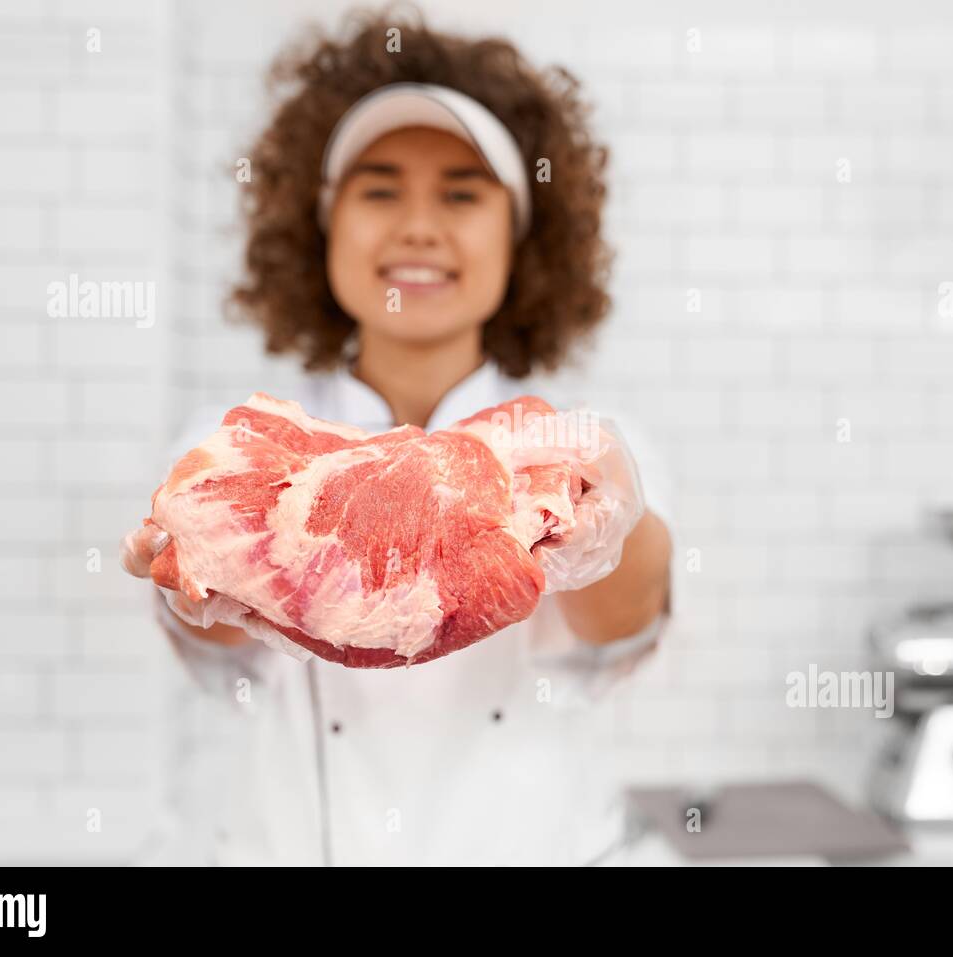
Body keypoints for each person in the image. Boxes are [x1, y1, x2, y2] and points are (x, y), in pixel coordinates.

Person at [134, 10, 675, 866]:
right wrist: (195, 579)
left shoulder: (579, 447)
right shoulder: (238, 444)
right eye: (379, 188)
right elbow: (215, 633)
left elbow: (624, 618)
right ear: (322, 227)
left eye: (462, 193)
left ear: (521, 240)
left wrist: (609, 524)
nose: (419, 227)